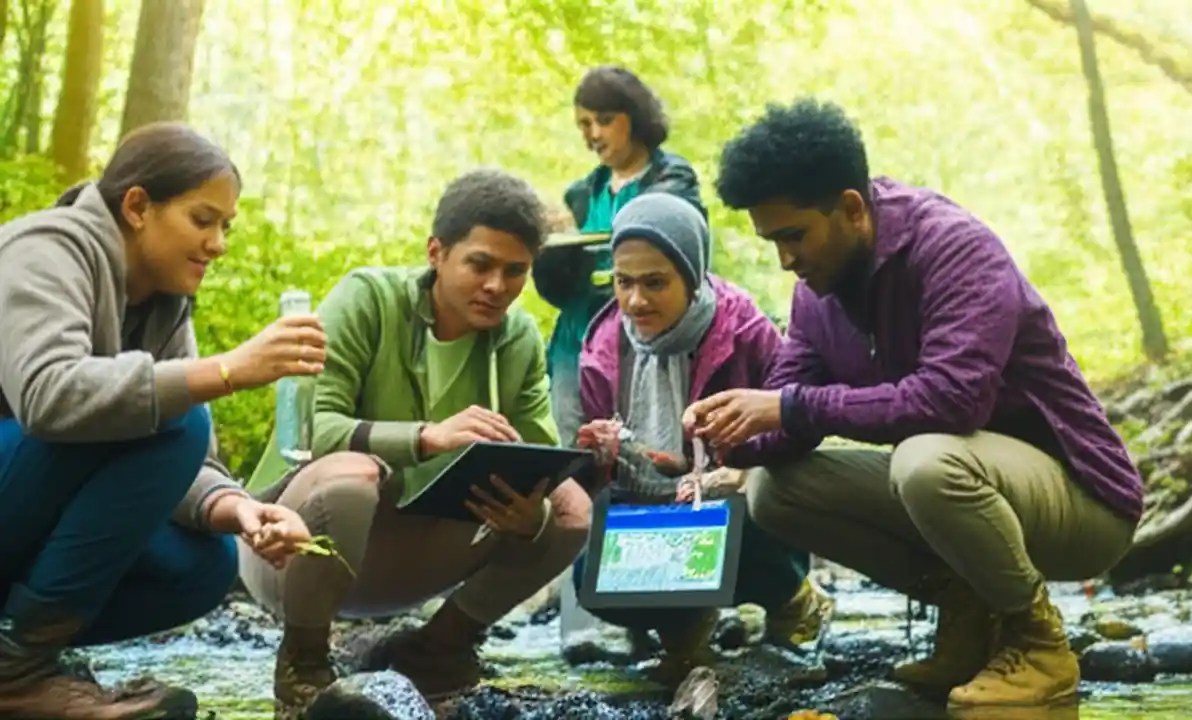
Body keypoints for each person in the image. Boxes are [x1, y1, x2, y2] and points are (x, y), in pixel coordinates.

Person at [683, 100, 1142, 708]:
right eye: (772, 242)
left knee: (924, 461)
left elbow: (951, 402)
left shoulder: (955, 249)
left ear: (851, 208)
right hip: (972, 496)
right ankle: (969, 616)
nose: (785, 260)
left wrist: (790, 407)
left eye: (794, 237)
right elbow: (788, 422)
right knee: (772, 489)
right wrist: (726, 430)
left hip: (1082, 505)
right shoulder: (814, 295)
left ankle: (1038, 643)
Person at [240, 169, 593, 717]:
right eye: (479, 264)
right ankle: (304, 662)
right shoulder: (366, 299)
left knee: (570, 509)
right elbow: (314, 433)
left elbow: (541, 459)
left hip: (417, 556)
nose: (497, 285)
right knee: (350, 476)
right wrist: (430, 436)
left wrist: (534, 519)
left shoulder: (517, 337)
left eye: (515, 270)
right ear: (437, 252)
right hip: (290, 547)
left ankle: (438, 649)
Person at [0, 122, 319, 720]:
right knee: (181, 416)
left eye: (226, 226)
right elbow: (47, 395)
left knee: (205, 563)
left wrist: (238, 509)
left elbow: (181, 463)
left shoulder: (166, 303)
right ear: (138, 206)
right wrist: (227, 369)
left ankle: (20, 653)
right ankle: (15, 674)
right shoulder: (43, 249)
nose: (219, 243)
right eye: (204, 220)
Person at [567, 193, 831, 685]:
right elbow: (594, 477)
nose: (635, 301)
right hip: (648, 509)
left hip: (737, 505)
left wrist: (722, 472)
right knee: (589, 579)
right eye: (623, 283)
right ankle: (683, 626)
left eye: (655, 283)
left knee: (750, 515)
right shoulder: (604, 345)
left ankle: (794, 602)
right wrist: (601, 455)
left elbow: (793, 434)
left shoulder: (743, 331)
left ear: (691, 277)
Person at [532, 65, 706, 446]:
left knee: (648, 445)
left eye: (605, 120)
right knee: (575, 441)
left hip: (644, 331)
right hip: (576, 337)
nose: (593, 134)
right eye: (584, 124)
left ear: (635, 117)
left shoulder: (673, 179)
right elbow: (560, 287)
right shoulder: (580, 194)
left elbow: (675, 248)